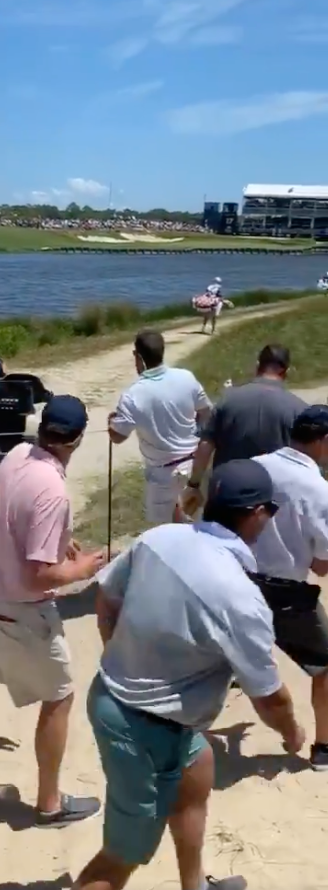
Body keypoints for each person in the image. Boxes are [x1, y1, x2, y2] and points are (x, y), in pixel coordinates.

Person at [73, 460, 304, 890]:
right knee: (123, 855)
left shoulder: (159, 537)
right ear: (257, 513)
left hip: (136, 704)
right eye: (270, 509)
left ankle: (194, 885)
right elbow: (269, 697)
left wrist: (123, 654)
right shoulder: (240, 598)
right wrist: (292, 733)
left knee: (197, 771)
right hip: (139, 726)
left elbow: (106, 597)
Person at [0, 395, 105, 826]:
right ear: (79, 438)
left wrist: (55, 540)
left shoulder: (16, 454)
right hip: (21, 612)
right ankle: (49, 804)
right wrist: (80, 569)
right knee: (60, 696)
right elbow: (39, 577)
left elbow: (17, 515)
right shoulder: (54, 491)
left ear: (42, 426)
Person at [252, 405, 328, 770]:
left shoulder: (255, 466)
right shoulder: (318, 489)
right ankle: (324, 748)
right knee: (326, 667)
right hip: (286, 594)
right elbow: (322, 566)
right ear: (323, 441)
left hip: (238, 582)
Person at [182, 344, 305, 517]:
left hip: (226, 496)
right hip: (272, 502)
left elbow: (205, 445)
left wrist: (194, 485)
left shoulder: (228, 399)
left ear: (257, 366)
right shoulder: (298, 409)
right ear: (287, 371)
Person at [108, 329, 212, 525]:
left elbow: (118, 437)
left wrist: (111, 424)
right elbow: (206, 413)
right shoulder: (186, 377)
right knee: (196, 528)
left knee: (164, 533)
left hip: (162, 474)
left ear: (137, 357)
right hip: (194, 467)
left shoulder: (133, 395)